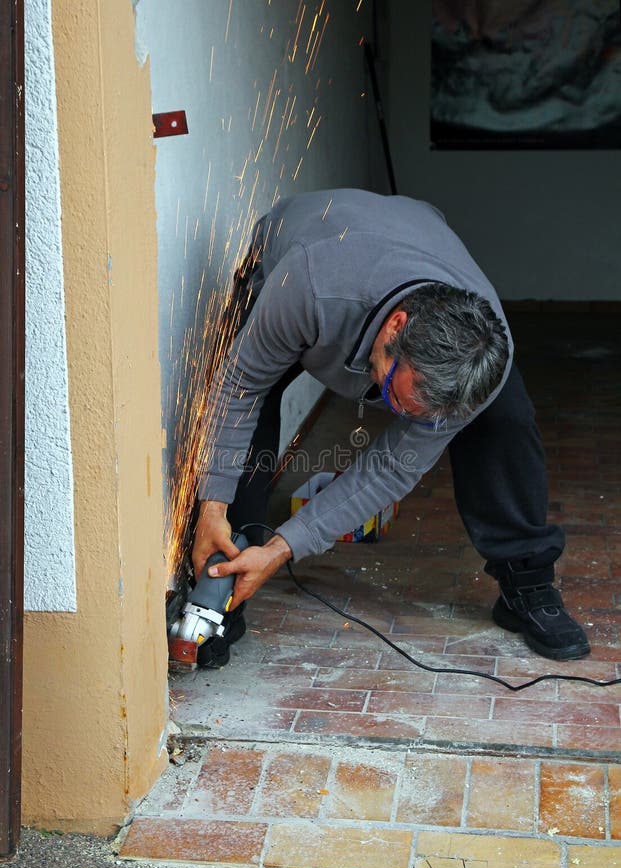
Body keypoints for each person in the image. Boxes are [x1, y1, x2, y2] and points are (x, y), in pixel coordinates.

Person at [192, 188, 589, 666]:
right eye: (400, 401)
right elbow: (241, 386)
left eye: (426, 417)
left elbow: (387, 470)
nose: (403, 421)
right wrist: (213, 504)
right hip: (302, 253)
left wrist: (284, 549)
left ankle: (527, 583)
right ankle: (222, 576)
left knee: (505, 418)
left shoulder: (481, 360)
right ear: (395, 327)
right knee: (251, 405)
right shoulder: (309, 287)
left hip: (416, 233)